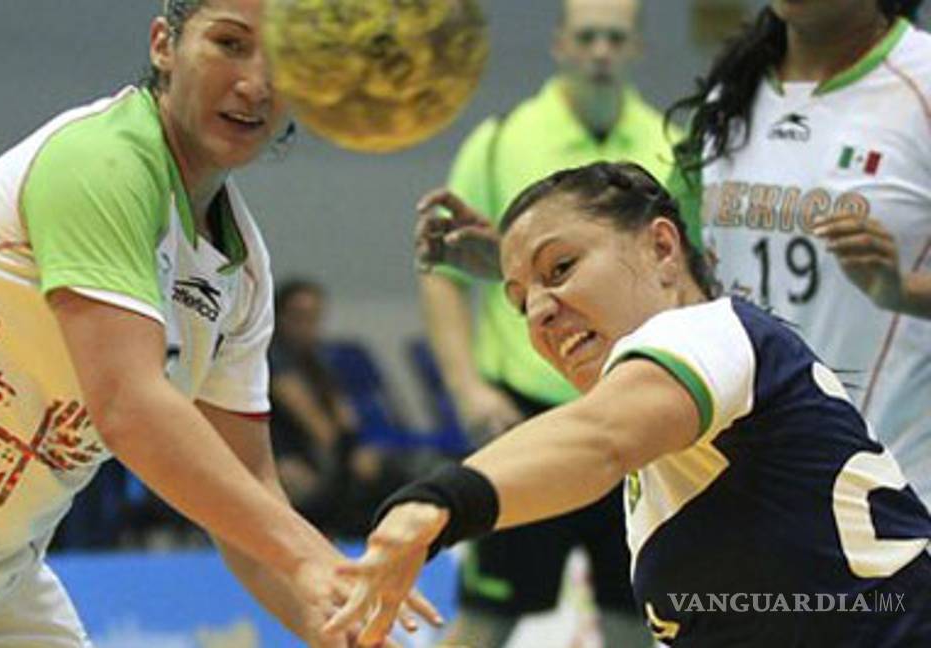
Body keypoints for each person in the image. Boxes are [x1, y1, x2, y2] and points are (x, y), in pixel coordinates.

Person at [0, 1, 436, 645]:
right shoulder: (102, 161)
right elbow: (130, 405)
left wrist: (351, 629)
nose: (256, 83)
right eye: (229, 44)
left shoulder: (243, 269)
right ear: (163, 45)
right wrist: (310, 555)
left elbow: (247, 497)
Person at [328, 161, 931, 647]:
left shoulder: (701, 332)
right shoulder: (691, 409)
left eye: (560, 268)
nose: (537, 312)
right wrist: (540, 266)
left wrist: (433, 505)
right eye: (520, 302)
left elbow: (598, 440)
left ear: (664, 248)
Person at [416, 0, 666, 644]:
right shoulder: (501, 142)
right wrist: (469, 389)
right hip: (528, 418)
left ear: (636, 48)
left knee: (635, 622)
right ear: (560, 44)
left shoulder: (669, 144)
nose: (601, 50)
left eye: (616, 38)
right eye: (587, 37)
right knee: (486, 621)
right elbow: (443, 272)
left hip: (638, 415)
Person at [666, 0, 931, 508]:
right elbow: (673, 268)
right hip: (755, 485)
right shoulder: (731, 95)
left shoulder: (918, 84)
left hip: (896, 493)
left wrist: (901, 289)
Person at [269, 279, 410, 538]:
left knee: (389, 472)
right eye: (299, 317)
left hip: (321, 453)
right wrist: (346, 457)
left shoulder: (317, 360)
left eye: (314, 317)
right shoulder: (273, 359)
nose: (307, 326)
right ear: (279, 317)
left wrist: (356, 449)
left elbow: (345, 418)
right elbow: (315, 424)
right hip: (278, 454)